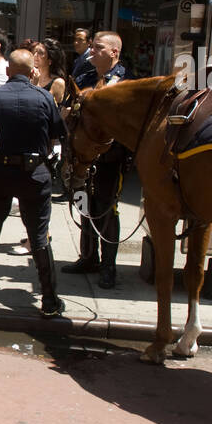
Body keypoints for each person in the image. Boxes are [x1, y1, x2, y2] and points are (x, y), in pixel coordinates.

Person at [0, 49, 66, 318]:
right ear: (32, 73)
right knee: (39, 236)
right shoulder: (44, 97)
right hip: (34, 174)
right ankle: (50, 301)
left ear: (8, 72)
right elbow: (58, 134)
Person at [64, 31, 131, 289]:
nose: (91, 51)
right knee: (83, 205)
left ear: (114, 52)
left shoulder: (126, 81)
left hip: (110, 157)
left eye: (98, 47)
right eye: (91, 47)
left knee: (106, 208)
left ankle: (108, 266)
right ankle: (88, 257)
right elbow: (68, 108)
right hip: (82, 154)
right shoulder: (84, 77)